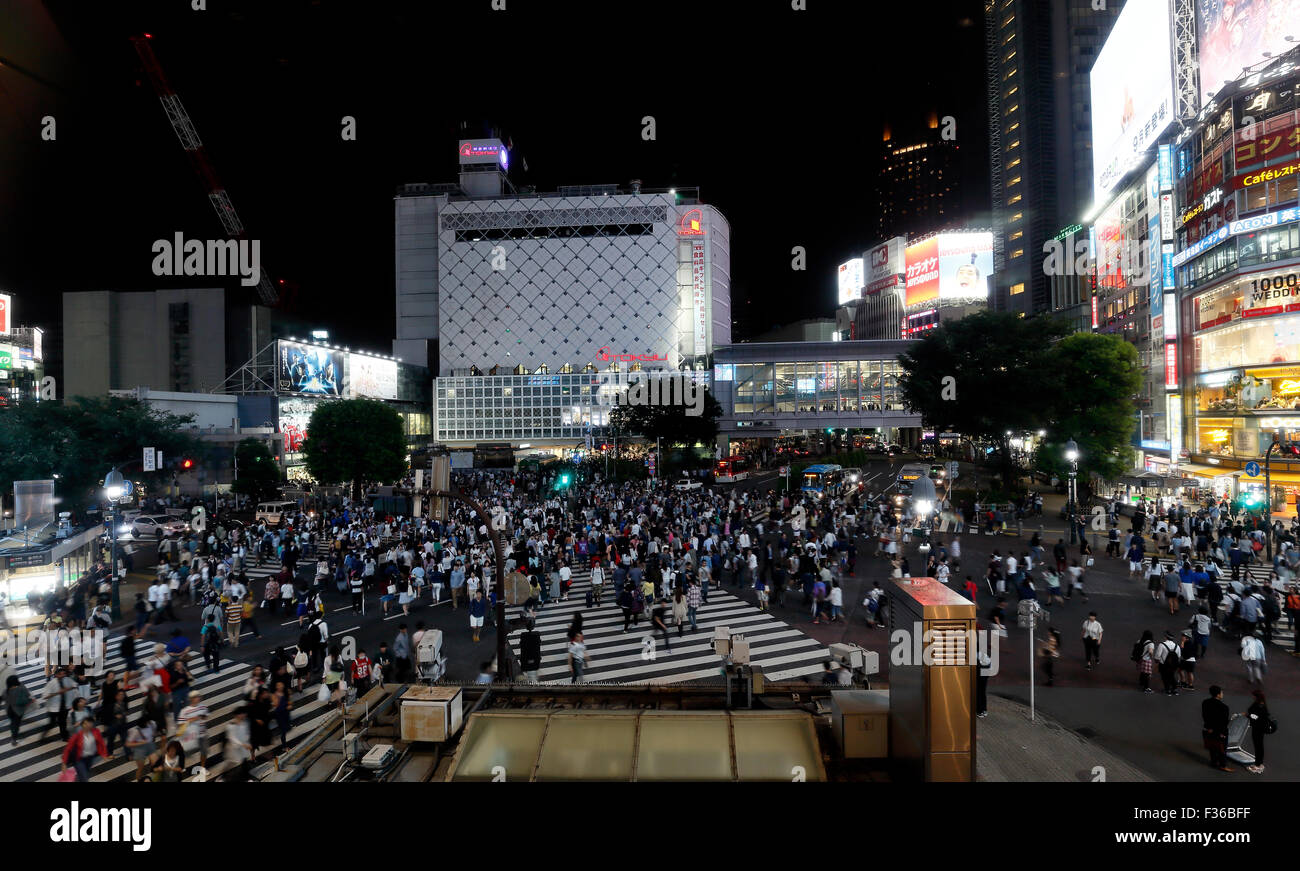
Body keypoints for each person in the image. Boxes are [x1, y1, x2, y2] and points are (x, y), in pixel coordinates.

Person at [61, 715, 108, 783]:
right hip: (79, 759)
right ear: (82, 724)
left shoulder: (96, 731)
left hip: (90, 758)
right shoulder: (77, 735)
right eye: (86, 723)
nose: (88, 725)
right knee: (84, 777)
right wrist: (64, 763)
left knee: (84, 774)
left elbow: (101, 743)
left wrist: (104, 754)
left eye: (90, 723)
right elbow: (68, 748)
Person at [1201, 685, 1232, 772]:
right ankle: (1223, 765)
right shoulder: (1224, 707)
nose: (1222, 694)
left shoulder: (1205, 702)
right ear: (1218, 695)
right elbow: (1224, 722)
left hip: (1209, 729)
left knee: (1212, 746)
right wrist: (1222, 732)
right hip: (1220, 731)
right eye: (1221, 692)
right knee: (1222, 749)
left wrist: (1210, 727)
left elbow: (1205, 716)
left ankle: (1214, 762)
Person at [1245, 690, 1273, 775]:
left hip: (1258, 729)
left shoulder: (1260, 706)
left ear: (1257, 697)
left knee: (1258, 746)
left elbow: (1256, 717)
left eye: (1254, 696)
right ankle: (1259, 763)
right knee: (1259, 746)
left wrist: (1248, 715)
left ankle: (1258, 765)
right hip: (1258, 728)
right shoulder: (1260, 704)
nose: (1253, 697)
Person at [4, 675, 31, 746]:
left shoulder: (7, 689)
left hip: (9, 709)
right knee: (16, 724)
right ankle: (14, 737)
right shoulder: (21, 687)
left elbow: (3, 697)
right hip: (18, 710)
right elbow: (27, 695)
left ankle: (13, 732)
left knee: (13, 722)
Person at [1154, 630, 1181, 696]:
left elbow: (1157, 656)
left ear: (1166, 637)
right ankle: (1175, 690)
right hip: (1174, 665)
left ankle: (1168, 690)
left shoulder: (1162, 645)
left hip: (1164, 665)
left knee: (1164, 677)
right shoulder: (1177, 646)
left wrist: (1157, 661)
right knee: (1172, 676)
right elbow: (1179, 656)